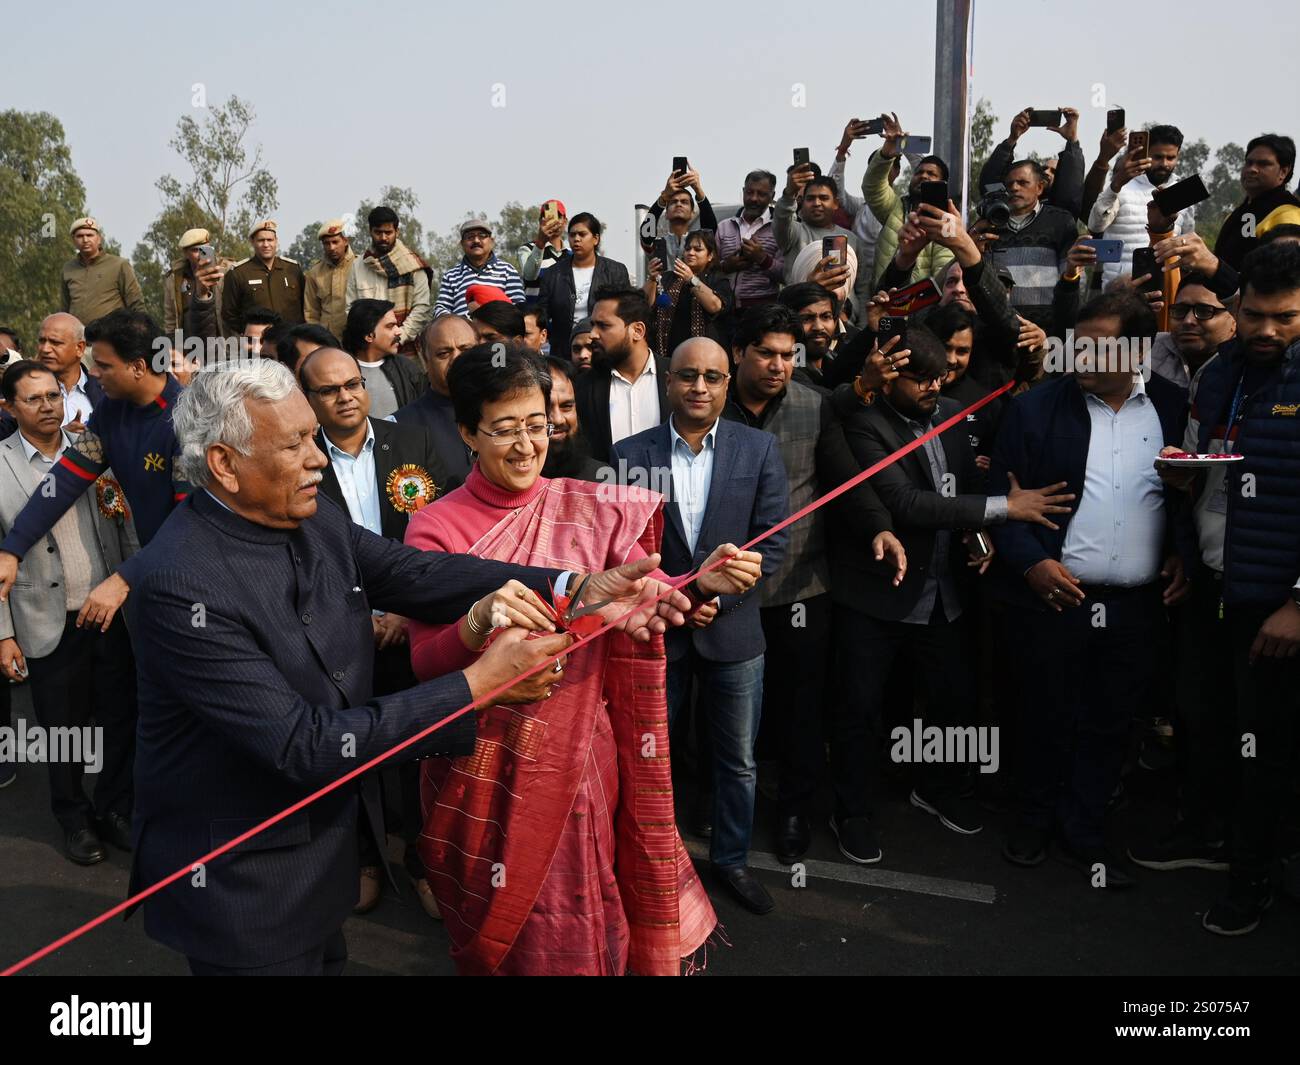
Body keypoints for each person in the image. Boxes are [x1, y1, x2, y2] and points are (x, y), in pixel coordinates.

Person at [124, 356, 695, 975]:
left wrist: (573, 586)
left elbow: (418, 574)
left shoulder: (311, 520)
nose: (320, 459)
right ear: (225, 465)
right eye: (295, 445)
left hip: (323, 855)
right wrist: (479, 685)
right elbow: (303, 743)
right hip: (241, 882)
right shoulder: (179, 584)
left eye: (313, 438)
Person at [407, 343, 743, 974]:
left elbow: (643, 598)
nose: (526, 445)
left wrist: (700, 584)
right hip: (487, 767)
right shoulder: (436, 527)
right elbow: (427, 665)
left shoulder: (591, 504)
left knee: (589, 905)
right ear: (465, 434)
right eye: (504, 430)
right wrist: (480, 622)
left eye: (538, 426)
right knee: (513, 927)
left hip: (587, 755)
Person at [829, 324, 1076, 863]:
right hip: (877, 596)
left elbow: (962, 494)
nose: (931, 389)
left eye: (938, 379)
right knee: (861, 707)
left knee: (953, 702)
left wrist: (983, 535)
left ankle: (936, 789)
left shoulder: (949, 418)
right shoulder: (863, 426)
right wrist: (1005, 511)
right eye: (918, 380)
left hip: (946, 595)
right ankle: (852, 810)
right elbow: (907, 504)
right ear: (891, 376)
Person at [988, 293, 1190, 887]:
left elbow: (1191, 492)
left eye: (1100, 343)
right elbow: (1002, 502)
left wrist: (1183, 554)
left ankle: (1084, 828)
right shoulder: (1035, 411)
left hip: (1137, 606)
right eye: (1077, 342)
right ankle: (1032, 819)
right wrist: (1031, 565)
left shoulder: (1174, 408)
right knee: (1042, 713)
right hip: (1053, 598)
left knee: (1110, 722)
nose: (1082, 355)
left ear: (1137, 346)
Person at [723, 305, 905, 865]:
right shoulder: (709, 408)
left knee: (802, 709)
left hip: (801, 589)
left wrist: (880, 527)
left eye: (788, 355)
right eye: (766, 354)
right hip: (724, 590)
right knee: (731, 710)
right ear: (738, 354)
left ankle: (795, 810)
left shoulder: (815, 406)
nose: (779, 366)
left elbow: (846, 478)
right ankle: (724, 805)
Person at [1156, 241, 1300, 935]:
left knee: (1267, 748)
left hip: (1278, 607)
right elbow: (1192, 473)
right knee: (1204, 720)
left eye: (1287, 318)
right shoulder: (1218, 377)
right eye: (1256, 315)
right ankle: (1208, 837)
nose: (1268, 330)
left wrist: (1299, 602)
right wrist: (1185, 551)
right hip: (1213, 584)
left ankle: (1255, 879)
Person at [612, 337, 785, 915]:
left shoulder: (758, 449)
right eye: (688, 375)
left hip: (735, 634)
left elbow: (773, 545)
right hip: (657, 632)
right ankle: (657, 863)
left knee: (737, 760)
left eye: (713, 376)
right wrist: (681, 601)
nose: (700, 388)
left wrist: (720, 602)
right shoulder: (628, 453)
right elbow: (620, 550)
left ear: (727, 383)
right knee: (650, 755)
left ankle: (731, 861)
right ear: (668, 381)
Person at [300, 345, 452, 914]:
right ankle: (364, 855)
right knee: (348, 748)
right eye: (329, 390)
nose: (345, 397)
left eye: (352, 385)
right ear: (309, 400)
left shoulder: (409, 443)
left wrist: (405, 614)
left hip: (410, 627)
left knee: (416, 745)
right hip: (336, 635)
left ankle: (420, 857)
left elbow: (439, 535)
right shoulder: (299, 457)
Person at [0, 361, 139, 865]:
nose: (47, 406)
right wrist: (3, 635)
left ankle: (114, 809)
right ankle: (74, 818)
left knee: (121, 717)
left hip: (109, 613)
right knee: (63, 730)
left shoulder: (94, 451)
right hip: (44, 617)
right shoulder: (0, 466)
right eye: (32, 399)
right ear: (10, 407)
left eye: (53, 396)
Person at [0, 310, 190, 627]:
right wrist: (13, 549)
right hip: (149, 577)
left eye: (103, 365)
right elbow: (64, 481)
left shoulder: (187, 421)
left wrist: (124, 577)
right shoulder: (111, 411)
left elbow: (189, 523)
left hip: (189, 583)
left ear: (139, 367)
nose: (95, 374)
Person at [1088, 125, 1195, 284]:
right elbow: (1095, 226)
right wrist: (1115, 185)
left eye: (1170, 158)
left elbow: (1186, 242)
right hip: (1120, 290)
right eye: (1157, 157)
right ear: (1145, 154)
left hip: (1165, 286)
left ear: (1178, 156)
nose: (1164, 164)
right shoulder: (1122, 187)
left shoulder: (1182, 192)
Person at [574, 288, 669, 462]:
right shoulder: (583, 387)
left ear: (637, 331)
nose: (593, 334)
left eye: (603, 326)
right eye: (593, 325)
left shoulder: (676, 376)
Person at [862, 114, 954, 285]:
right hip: (885, 302)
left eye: (931, 174)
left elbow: (944, 272)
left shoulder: (947, 220)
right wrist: (887, 153)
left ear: (943, 183)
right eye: (919, 173)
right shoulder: (896, 207)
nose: (923, 176)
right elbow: (872, 188)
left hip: (922, 307)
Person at [989, 160, 1080, 331]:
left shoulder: (1060, 221)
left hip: (1048, 333)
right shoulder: (989, 224)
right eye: (1009, 184)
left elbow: (1070, 282)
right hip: (999, 331)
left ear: (1039, 187)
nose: (1014, 188)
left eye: (1022, 183)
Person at [395, 315, 478, 483]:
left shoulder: (507, 409)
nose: (457, 359)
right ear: (425, 358)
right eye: (443, 353)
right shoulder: (400, 427)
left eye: (466, 350)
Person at [538, 213, 630, 362]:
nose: (576, 239)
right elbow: (542, 315)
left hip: (604, 350)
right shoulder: (552, 274)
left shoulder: (616, 271)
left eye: (582, 234)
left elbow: (625, 313)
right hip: (564, 354)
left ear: (596, 239)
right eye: (572, 235)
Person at [345, 207, 433, 352]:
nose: (384, 237)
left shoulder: (413, 265)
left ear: (397, 232)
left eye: (388, 232)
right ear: (370, 231)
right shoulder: (358, 265)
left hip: (406, 348)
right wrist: (372, 337)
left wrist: (399, 336)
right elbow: (351, 309)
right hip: (368, 348)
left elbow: (422, 308)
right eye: (378, 232)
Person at [979, 107, 1085, 220]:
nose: (1046, 172)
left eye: (1054, 171)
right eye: (1044, 168)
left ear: (1040, 187)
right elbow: (989, 186)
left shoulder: (1060, 218)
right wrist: (1012, 139)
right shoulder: (1004, 213)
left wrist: (1072, 141)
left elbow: (1070, 191)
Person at [1215, 134, 1300, 270]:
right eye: (1249, 163)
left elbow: (1283, 278)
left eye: (1263, 164)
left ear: (1283, 172)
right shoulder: (1236, 214)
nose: (1252, 169)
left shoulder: (1288, 215)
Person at [645, 229, 732, 357]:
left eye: (698, 249)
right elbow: (646, 305)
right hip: (668, 353)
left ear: (710, 256)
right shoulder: (668, 277)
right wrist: (652, 279)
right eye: (687, 249)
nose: (691, 253)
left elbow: (715, 306)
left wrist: (691, 279)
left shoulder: (716, 279)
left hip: (705, 354)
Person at [340, 299, 427, 419]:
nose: (398, 331)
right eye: (390, 326)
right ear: (369, 336)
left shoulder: (407, 369)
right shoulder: (341, 372)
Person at [714, 170, 784, 308]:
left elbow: (787, 275)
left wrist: (762, 258)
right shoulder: (724, 227)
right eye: (750, 192)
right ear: (743, 191)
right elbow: (709, 269)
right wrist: (725, 266)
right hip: (724, 310)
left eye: (762, 194)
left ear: (772, 196)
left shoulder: (780, 229)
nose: (754, 198)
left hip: (763, 311)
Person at [774, 171, 859, 285]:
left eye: (823, 198)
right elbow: (781, 218)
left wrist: (859, 303)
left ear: (836, 203)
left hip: (846, 302)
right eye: (810, 198)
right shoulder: (793, 233)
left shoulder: (851, 238)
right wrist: (789, 194)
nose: (817, 203)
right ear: (802, 203)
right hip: (801, 301)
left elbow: (862, 284)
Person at [221, 220, 305, 334]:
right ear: (252, 242)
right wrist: (250, 334)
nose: (266, 245)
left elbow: (305, 306)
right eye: (261, 240)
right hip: (258, 343)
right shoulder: (238, 273)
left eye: (270, 240)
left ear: (276, 241)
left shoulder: (293, 269)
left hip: (291, 339)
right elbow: (229, 314)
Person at [433, 219, 525, 317]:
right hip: (461, 330)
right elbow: (441, 308)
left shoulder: (507, 271)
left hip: (499, 329)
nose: (476, 240)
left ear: (491, 241)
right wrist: (458, 324)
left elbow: (519, 307)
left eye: (482, 236)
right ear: (462, 244)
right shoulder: (451, 276)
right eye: (470, 237)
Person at [61, 217, 144, 325]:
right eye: (80, 236)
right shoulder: (68, 268)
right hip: (80, 338)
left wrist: (141, 332)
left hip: (112, 336)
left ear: (99, 239)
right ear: (73, 240)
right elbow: (64, 309)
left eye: (90, 235)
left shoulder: (119, 265)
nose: (85, 240)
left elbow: (136, 303)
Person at [639, 165, 719, 264]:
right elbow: (646, 233)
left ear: (692, 213)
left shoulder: (700, 243)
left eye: (684, 202)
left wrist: (698, 190)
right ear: (666, 213)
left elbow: (710, 231)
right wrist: (664, 197)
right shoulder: (658, 243)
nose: (679, 204)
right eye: (673, 202)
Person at [163, 228, 233, 340]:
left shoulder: (227, 270)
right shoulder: (174, 278)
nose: (201, 255)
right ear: (185, 253)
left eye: (205, 249)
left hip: (224, 344)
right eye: (195, 250)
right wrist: (173, 346)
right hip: (190, 346)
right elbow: (171, 319)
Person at [541, 356, 603, 481]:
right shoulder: (510, 483)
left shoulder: (603, 479)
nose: (558, 420)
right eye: (545, 408)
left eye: (567, 406)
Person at [36, 313, 102, 430]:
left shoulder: (105, 390)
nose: (45, 349)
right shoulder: (24, 390)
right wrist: (62, 437)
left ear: (80, 348)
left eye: (55, 342)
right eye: (42, 341)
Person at [304, 219, 356, 341]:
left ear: (345, 240)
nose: (331, 247)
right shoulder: (315, 273)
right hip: (327, 340)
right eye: (327, 243)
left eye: (335, 242)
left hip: (354, 340)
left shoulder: (358, 266)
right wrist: (317, 340)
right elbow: (311, 312)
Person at [518, 199, 569, 302]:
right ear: (540, 222)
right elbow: (529, 276)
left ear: (565, 222)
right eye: (546, 216)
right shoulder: (526, 249)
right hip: (534, 315)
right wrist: (541, 243)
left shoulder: (572, 254)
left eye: (557, 216)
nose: (552, 220)